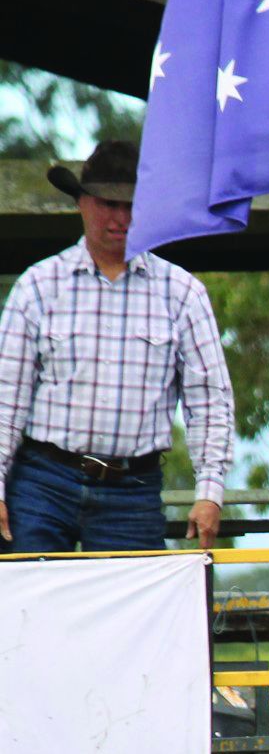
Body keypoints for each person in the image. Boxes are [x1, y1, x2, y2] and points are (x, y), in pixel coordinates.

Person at [0, 140, 234, 552]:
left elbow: (210, 400)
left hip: (133, 488)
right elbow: (6, 397)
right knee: (28, 605)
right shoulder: (38, 286)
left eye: (130, 205)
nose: (120, 217)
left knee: (132, 614)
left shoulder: (182, 293)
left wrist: (209, 489)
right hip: (42, 481)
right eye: (108, 203)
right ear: (82, 203)